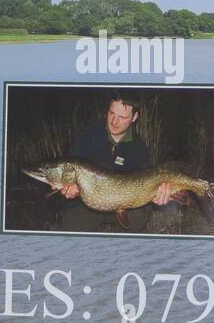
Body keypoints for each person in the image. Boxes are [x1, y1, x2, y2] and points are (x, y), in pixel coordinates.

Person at [55, 94, 178, 233]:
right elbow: (71, 166)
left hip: (124, 204)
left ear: (134, 117)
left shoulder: (139, 147)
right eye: (111, 113)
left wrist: (157, 196)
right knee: (71, 227)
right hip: (86, 204)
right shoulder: (87, 133)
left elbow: (144, 182)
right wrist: (72, 190)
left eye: (122, 117)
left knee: (140, 215)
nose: (114, 121)